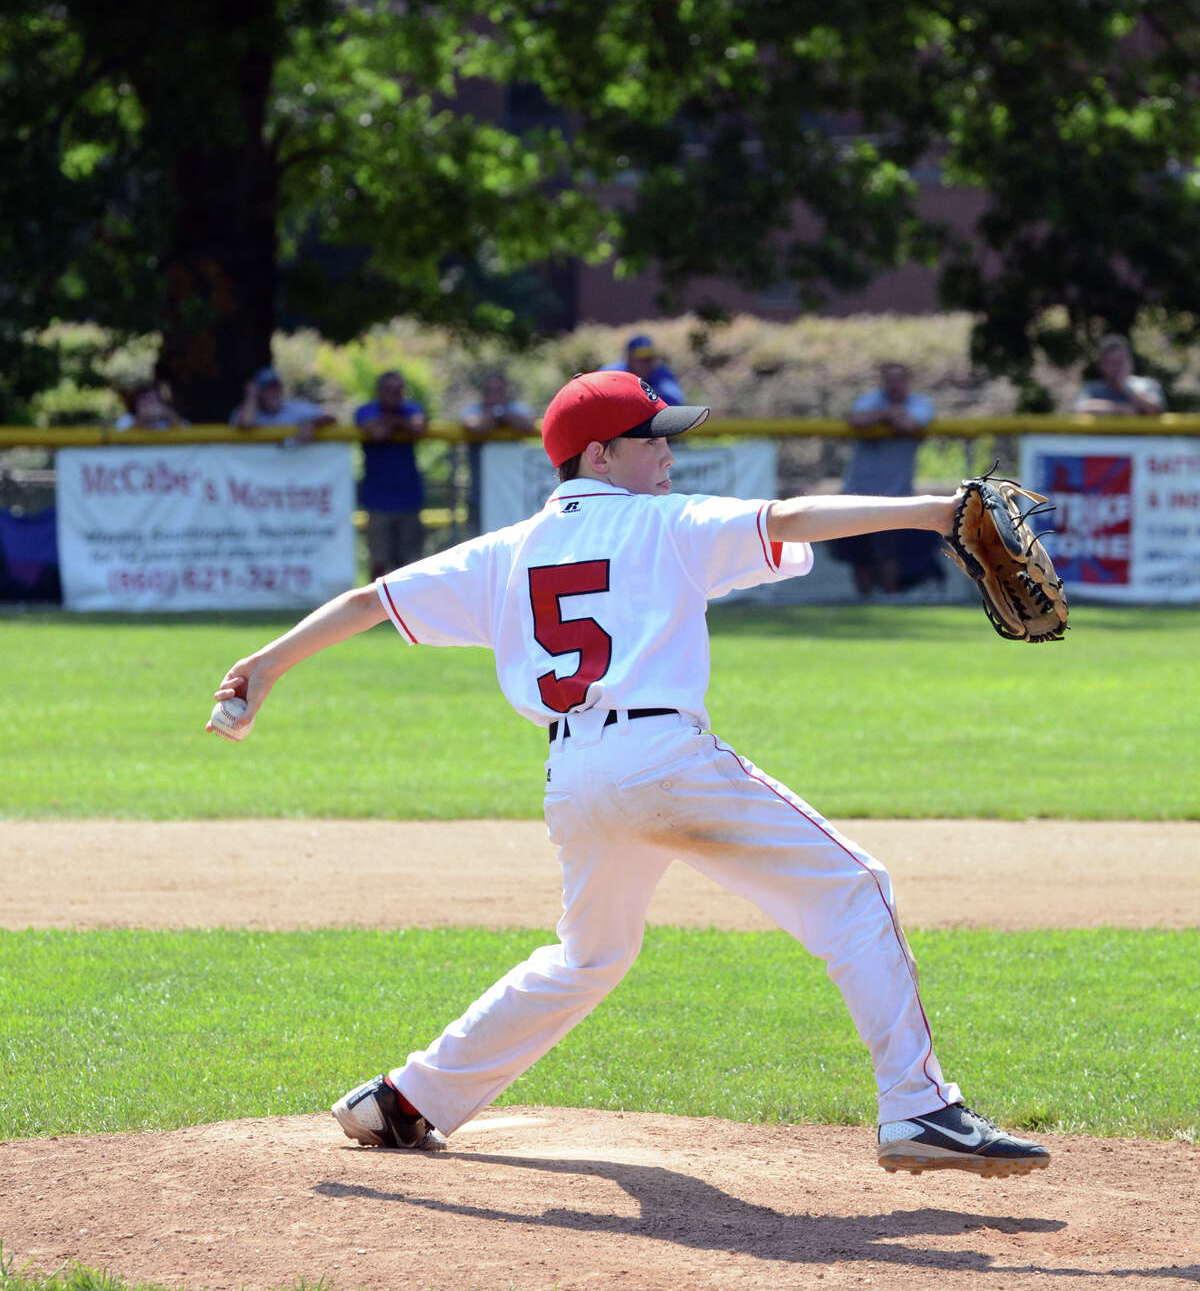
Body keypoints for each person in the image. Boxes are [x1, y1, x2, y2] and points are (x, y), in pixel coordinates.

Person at [207, 369, 1050, 1181]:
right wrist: (940, 508)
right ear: (600, 455)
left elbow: (370, 601)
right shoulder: (668, 524)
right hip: (665, 759)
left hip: (574, 776)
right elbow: (790, 516)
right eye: (653, 440)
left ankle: (404, 1099)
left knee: (588, 956)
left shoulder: (506, 550)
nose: (669, 455)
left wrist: (267, 665)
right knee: (857, 889)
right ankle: (918, 1105)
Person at [830, 362, 942, 597]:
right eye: (889, 379)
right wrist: (888, 414)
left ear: (907, 382)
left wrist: (883, 418)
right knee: (859, 556)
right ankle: (864, 602)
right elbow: (855, 419)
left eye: (899, 379)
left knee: (889, 554)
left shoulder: (918, 403)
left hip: (895, 494)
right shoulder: (871, 400)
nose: (894, 385)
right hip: (857, 492)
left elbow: (910, 424)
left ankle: (889, 600)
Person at [354, 370, 428, 576]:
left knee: (410, 563)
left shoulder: (412, 407)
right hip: (378, 500)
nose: (394, 394)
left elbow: (418, 427)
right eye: (389, 389)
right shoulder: (366, 410)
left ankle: (407, 607)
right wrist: (400, 424)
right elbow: (377, 433)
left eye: (399, 389)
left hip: (409, 497)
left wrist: (392, 423)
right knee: (379, 562)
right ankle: (376, 607)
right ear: (379, 391)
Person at [461, 369, 535, 536]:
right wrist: (495, 413)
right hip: (479, 495)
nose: (494, 395)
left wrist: (501, 414)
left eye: (499, 390)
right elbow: (475, 426)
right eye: (490, 391)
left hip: (512, 492)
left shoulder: (516, 409)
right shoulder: (473, 410)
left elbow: (529, 424)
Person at [1073, 334, 1166, 417]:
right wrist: (1123, 409)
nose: (1118, 368)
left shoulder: (1146, 385)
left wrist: (1125, 386)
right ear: (1102, 365)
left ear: (1131, 362)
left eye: (1121, 362)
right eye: (1112, 363)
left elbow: (1155, 410)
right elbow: (1081, 409)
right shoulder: (1092, 389)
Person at [230, 368, 333, 441]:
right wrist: (251, 395)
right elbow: (246, 424)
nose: (274, 392)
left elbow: (331, 418)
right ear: (258, 392)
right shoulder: (247, 412)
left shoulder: (295, 407)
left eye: (277, 387)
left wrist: (312, 423)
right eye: (268, 388)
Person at [602, 333, 685, 405]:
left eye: (649, 358)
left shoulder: (661, 374)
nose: (646, 363)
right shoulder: (611, 374)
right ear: (629, 358)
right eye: (641, 358)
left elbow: (675, 400)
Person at [114, 381, 188, 433]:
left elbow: (187, 432)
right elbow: (119, 440)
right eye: (146, 401)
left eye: (155, 400)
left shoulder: (167, 420)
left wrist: (169, 415)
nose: (151, 405)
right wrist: (141, 421)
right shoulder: (127, 420)